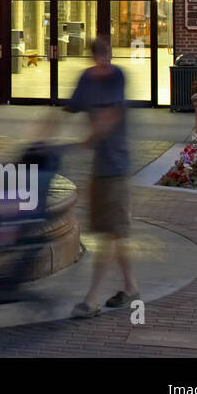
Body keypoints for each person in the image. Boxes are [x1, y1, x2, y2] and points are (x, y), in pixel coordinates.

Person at [65, 35, 138, 317]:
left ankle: (91, 300)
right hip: (100, 167)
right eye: (99, 57)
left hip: (116, 167)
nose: (104, 62)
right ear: (93, 57)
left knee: (109, 234)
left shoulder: (117, 77)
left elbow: (110, 116)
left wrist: (84, 142)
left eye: (107, 57)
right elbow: (68, 109)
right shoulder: (87, 79)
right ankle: (131, 287)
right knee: (116, 233)